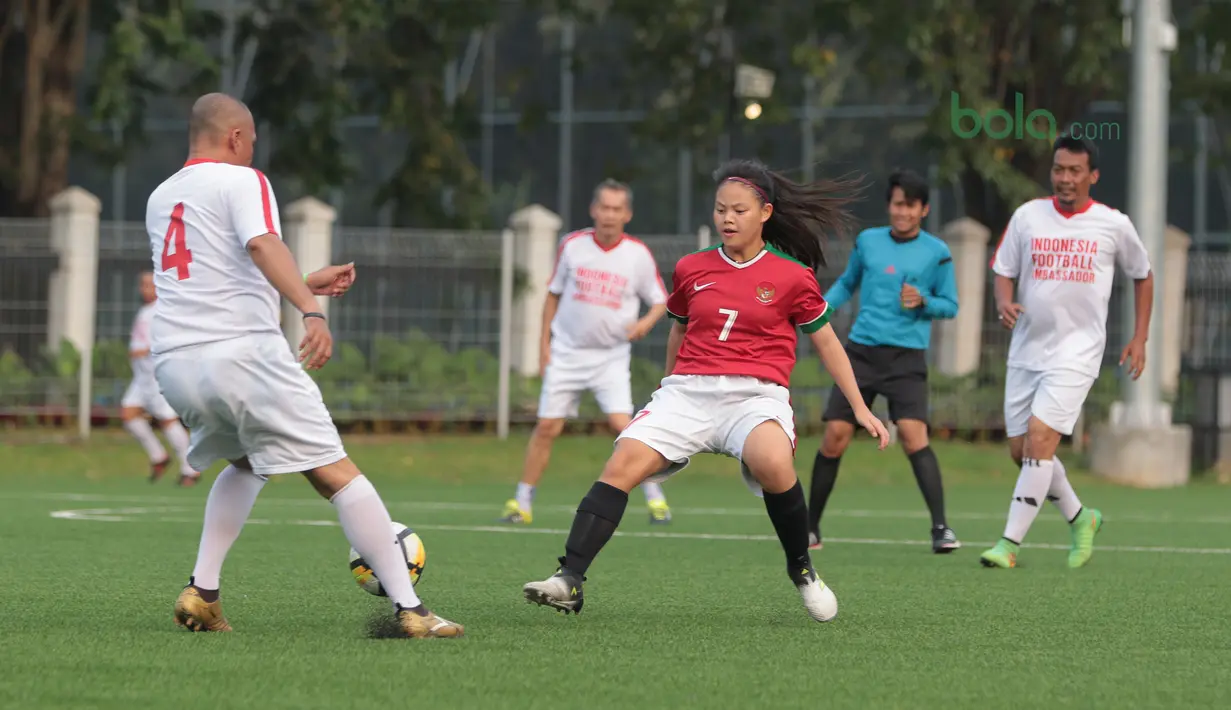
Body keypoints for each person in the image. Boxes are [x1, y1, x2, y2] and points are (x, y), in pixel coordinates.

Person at [148, 93, 463, 638]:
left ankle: (203, 592)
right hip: (242, 356)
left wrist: (305, 281)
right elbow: (263, 244)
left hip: (176, 364)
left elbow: (216, 277)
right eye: (251, 142)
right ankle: (412, 610)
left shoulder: (162, 195)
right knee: (337, 473)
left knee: (250, 462)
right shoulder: (243, 180)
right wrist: (310, 309)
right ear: (235, 138)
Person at [521, 159, 891, 623]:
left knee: (774, 462)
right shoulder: (692, 268)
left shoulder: (793, 276)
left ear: (765, 213)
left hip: (755, 397)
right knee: (620, 465)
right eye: (721, 210)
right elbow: (679, 331)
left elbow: (828, 342)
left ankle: (802, 569)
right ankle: (569, 578)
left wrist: (859, 407)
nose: (728, 219)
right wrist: (666, 391)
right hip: (688, 393)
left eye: (739, 210)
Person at [983, 134, 1153, 569]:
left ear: (1092, 176)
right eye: (1059, 169)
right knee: (1022, 453)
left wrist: (1140, 337)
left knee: (1040, 441)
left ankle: (1008, 545)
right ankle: (1082, 518)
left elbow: (1143, 274)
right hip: (1026, 350)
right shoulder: (1027, 216)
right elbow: (1003, 269)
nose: (1065, 178)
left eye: (1075, 171)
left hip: (1077, 353)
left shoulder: (1113, 224)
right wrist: (1004, 302)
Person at [500, 180, 673, 526]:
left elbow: (660, 300)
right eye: (604, 208)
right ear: (594, 210)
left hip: (610, 357)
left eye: (616, 209)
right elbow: (552, 295)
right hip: (567, 352)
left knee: (624, 427)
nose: (609, 215)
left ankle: (656, 499)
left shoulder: (636, 254)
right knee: (547, 426)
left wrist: (644, 324)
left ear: (627, 214)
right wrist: (544, 345)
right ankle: (522, 501)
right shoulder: (573, 245)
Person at [807, 170, 960, 553]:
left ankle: (941, 528)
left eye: (909, 205)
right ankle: (809, 528)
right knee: (835, 437)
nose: (901, 212)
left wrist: (924, 300)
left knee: (913, 435)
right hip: (860, 353)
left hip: (906, 358)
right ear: (889, 206)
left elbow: (951, 305)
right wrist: (818, 311)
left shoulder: (937, 252)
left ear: (923, 209)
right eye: (896, 204)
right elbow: (847, 283)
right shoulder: (868, 242)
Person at [120, 271, 199, 486]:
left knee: (167, 420)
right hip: (141, 377)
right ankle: (159, 456)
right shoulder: (145, 311)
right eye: (143, 285)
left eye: (150, 284)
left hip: (156, 374)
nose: (146, 289)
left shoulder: (163, 309)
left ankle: (190, 468)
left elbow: (172, 337)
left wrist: (146, 350)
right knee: (129, 414)